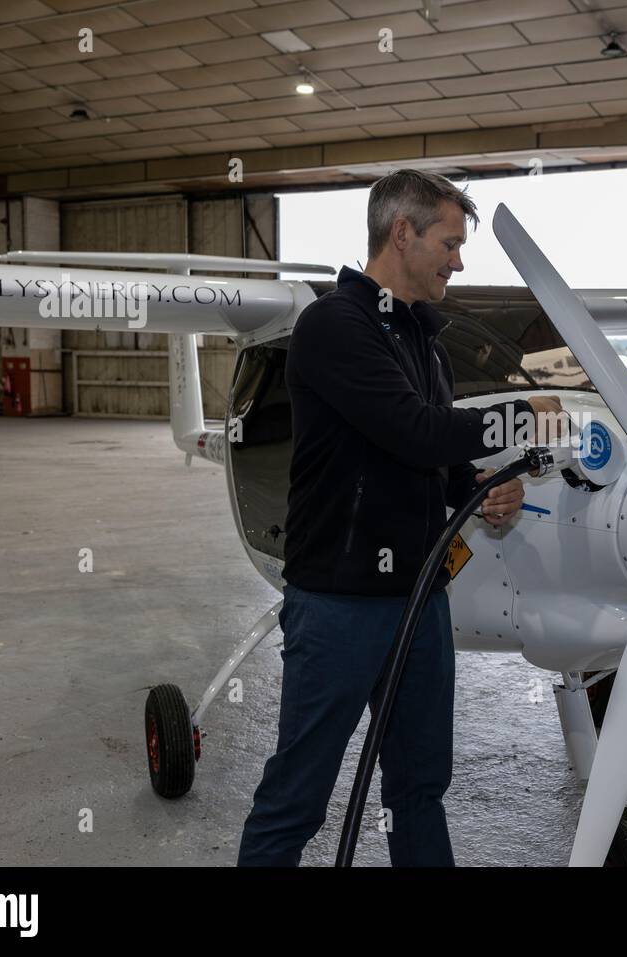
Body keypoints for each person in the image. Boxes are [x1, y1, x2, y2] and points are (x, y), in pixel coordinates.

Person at [237, 169, 564, 866]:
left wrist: (481, 487)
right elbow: (415, 430)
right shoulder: (333, 326)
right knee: (297, 798)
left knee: (419, 787)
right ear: (402, 232)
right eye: (449, 242)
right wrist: (522, 413)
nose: (459, 259)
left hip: (419, 601)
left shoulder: (422, 340)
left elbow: (429, 459)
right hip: (339, 604)